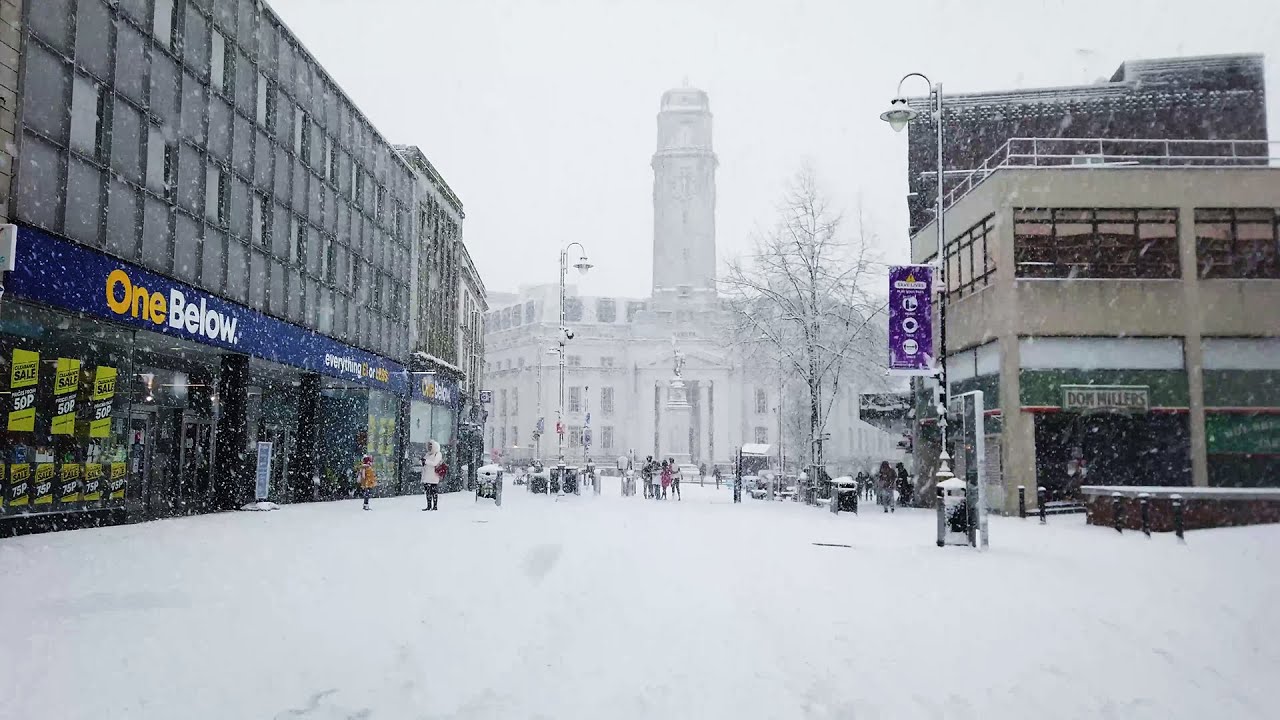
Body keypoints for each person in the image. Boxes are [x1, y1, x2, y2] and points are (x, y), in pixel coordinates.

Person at [421, 441, 444, 511]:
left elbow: (435, 463)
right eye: (429, 446)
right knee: (428, 491)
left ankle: (435, 506)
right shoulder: (427, 454)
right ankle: (428, 505)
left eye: (431, 446)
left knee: (434, 491)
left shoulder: (438, 454)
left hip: (434, 476)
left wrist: (426, 461)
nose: (430, 447)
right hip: (426, 475)